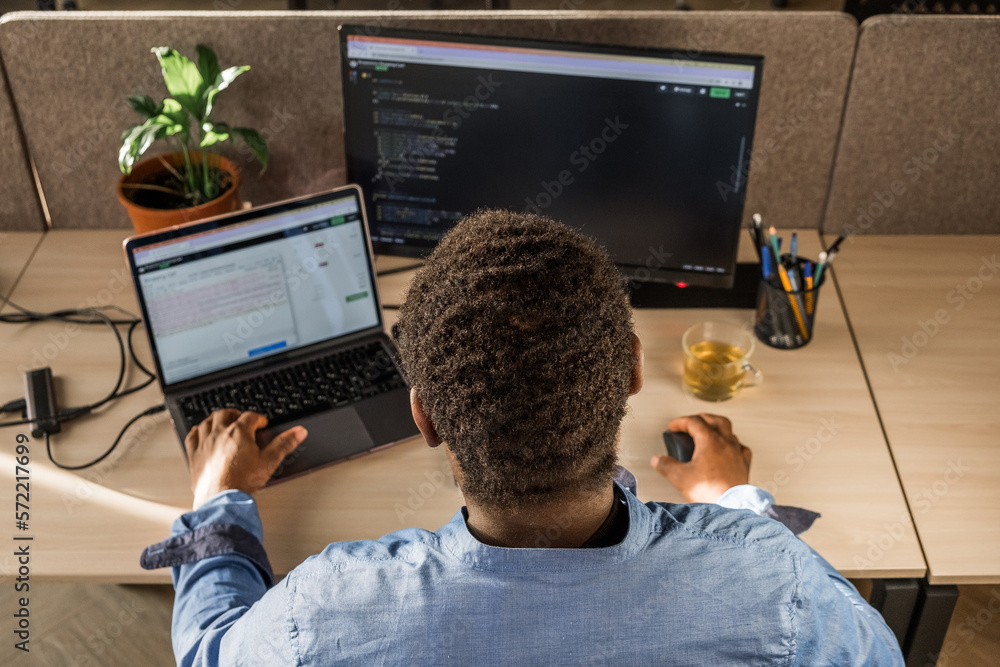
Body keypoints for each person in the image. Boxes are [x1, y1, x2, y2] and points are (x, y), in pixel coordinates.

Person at [142, 210, 903, 666]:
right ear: (634, 372)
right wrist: (736, 502)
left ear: (426, 414)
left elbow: (212, 650)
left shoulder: (328, 607)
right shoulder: (778, 587)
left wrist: (217, 502)